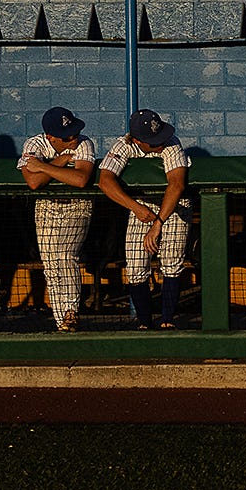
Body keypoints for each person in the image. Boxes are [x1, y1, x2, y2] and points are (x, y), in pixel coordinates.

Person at [96, 109, 191, 328]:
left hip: (174, 206)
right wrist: (136, 208)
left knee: (171, 263)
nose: (160, 142)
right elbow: (105, 181)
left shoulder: (171, 142)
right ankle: (145, 322)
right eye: (153, 141)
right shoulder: (124, 144)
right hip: (143, 204)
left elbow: (176, 185)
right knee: (136, 265)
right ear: (137, 140)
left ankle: (167, 320)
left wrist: (158, 224)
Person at [20, 106, 97, 333]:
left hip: (77, 205)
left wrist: (45, 166)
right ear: (50, 137)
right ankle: (62, 324)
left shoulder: (84, 142)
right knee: (51, 265)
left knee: (66, 255)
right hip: (46, 207)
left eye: (74, 132)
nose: (73, 138)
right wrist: (62, 162)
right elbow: (33, 183)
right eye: (66, 136)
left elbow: (81, 179)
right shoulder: (34, 144)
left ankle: (72, 312)